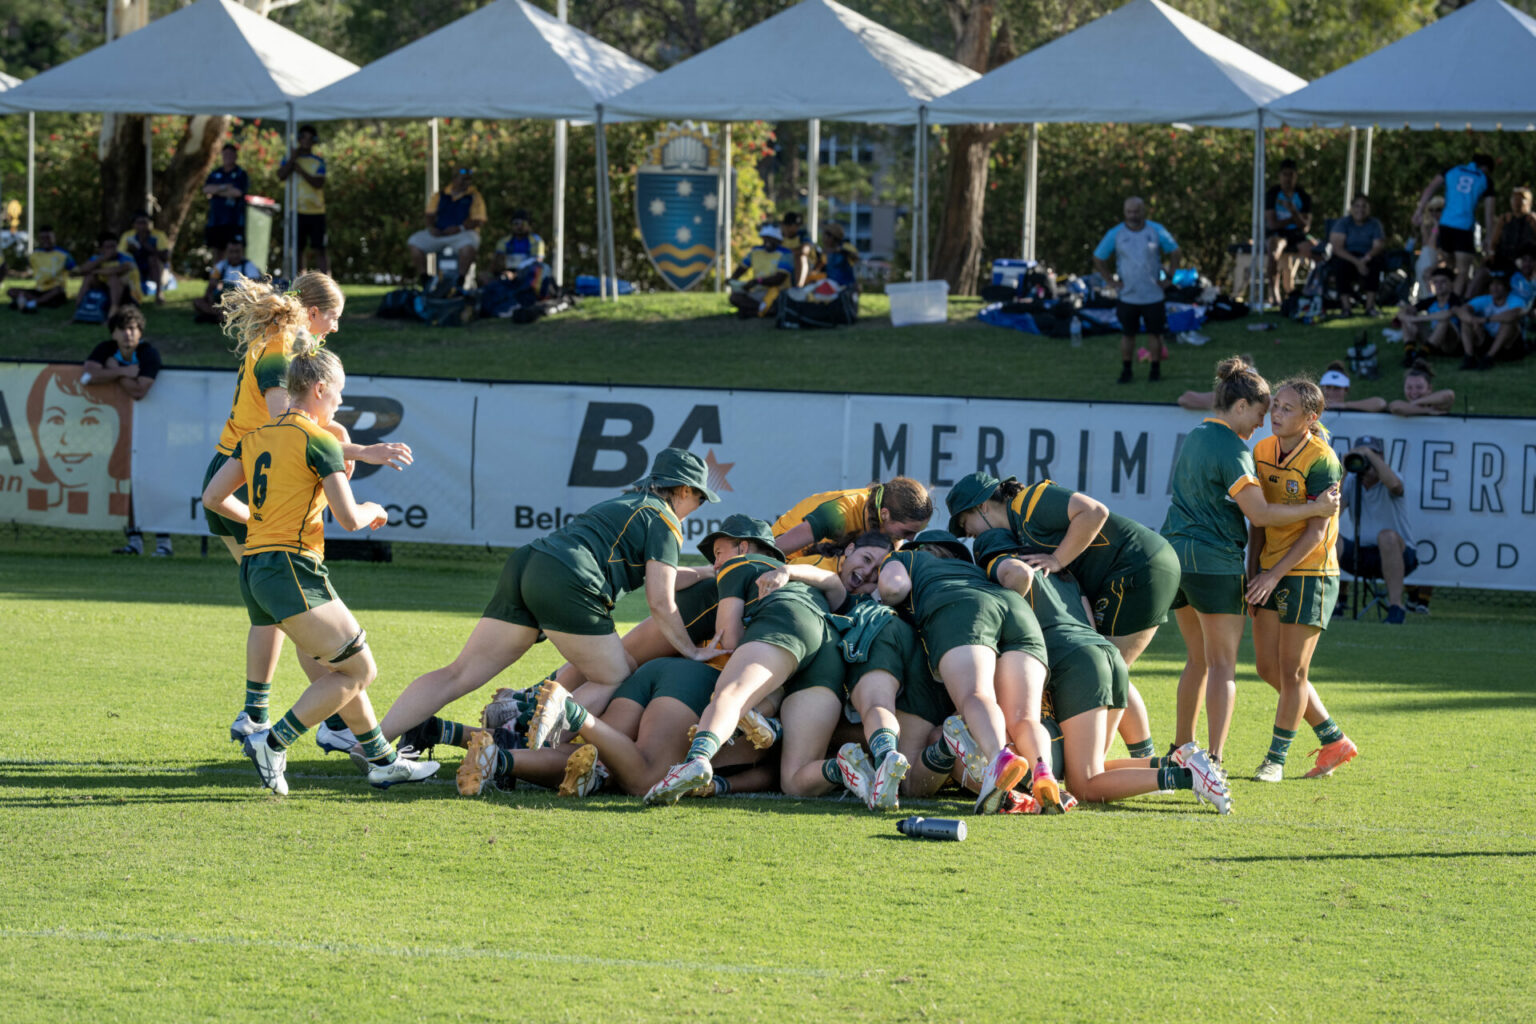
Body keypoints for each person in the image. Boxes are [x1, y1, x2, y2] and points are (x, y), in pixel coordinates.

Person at [389, 447, 720, 795]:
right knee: (616, 674)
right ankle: (524, 743)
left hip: (529, 563)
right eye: (700, 498)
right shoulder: (665, 522)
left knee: (458, 673)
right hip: (569, 579)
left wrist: (704, 572)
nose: (699, 506)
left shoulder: (626, 503)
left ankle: (372, 745)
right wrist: (692, 650)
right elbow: (661, 600)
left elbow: (664, 577)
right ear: (684, 490)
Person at [202, 344, 438, 796]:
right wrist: (375, 509)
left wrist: (258, 524)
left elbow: (213, 497)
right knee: (359, 671)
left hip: (256, 568)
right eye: (339, 394)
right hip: (291, 567)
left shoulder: (255, 436)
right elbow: (349, 518)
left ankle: (382, 761)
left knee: (337, 671)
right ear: (319, 388)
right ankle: (273, 742)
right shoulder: (320, 439)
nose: (340, 403)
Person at [209, 273, 412, 757]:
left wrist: (346, 443)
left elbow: (298, 427)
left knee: (289, 611)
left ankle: (283, 717)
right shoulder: (282, 351)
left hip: (241, 472)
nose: (336, 328)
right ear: (313, 312)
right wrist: (357, 450)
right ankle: (281, 723)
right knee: (298, 609)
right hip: (251, 475)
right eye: (334, 317)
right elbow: (290, 428)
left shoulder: (285, 343)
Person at [594, 518, 853, 808]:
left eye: (718, 553)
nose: (716, 563)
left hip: (785, 625)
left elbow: (728, 637)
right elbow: (837, 588)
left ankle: (697, 760)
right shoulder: (803, 576)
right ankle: (842, 766)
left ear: (743, 547)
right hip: (828, 651)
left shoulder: (740, 564)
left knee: (730, 695)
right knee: (794, 779)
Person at [1161, 356, 1339, 765]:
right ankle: (1214, 761)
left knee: (1197, 661)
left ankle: (1181, 749)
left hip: (1177, 558)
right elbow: (1258, 515)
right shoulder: (1237, 450)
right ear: (1240, 406)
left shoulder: (1195, 435)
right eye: (1262, 412)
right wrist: (1316, 509)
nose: (1264, 421)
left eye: (1279, 410)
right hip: (1214, 562)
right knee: (1223, 666)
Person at [973, 529, 1230, 812]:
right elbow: (1090, 624)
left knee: (1084, 784)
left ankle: (1188, 776)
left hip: (1077, 662)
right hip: (1106, 654)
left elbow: (1015, 583)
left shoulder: (1000, 564)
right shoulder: (1064, 572)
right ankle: (1175, 762)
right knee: (1093, 768)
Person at [945, 472, 1175, 759]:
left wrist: (1057, 559)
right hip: (1130, 570)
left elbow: (1094, 511)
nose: (971, 536)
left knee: (1106, 671)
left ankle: (1119, 765)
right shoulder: (1019, 527)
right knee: (1108, 666)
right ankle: (1138, 760)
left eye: (967, 526)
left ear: (981, 506)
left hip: (1135, 566)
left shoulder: (1028, 500)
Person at [870, 546, 1063, 814]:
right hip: (1016, 608)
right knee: (1025, 718)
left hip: (961, 606)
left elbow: (894, 588)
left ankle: (998, 758)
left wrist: (878, 597)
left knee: (976, 694)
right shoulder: (975, 568)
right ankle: (1042, 770)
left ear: (926, 548)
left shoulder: (908, 557)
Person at [1245, 378, 1358, 782]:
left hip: (1311, 573)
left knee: (1292, 671)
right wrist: (1254, 572)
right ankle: (1334, 739)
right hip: (1269, 571)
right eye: (1275, 405)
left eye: (1286, 408)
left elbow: (1315, 533)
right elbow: (1258, 518)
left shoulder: (1323, 461)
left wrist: (1273, 575)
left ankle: (1275, 760)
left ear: (1311, 418)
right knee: (1266, 667)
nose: (1275, 413)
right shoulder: (1262, 450)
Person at [83, 306, 172, 557]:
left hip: (154, 428)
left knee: (154, 482)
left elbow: (139, 391)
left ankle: (164, 543)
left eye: (132, 329)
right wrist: (123, 371)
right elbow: (87, 375)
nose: (127, 334)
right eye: (122, 329)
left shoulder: (148, 353)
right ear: (113, 333)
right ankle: (135, 542)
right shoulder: (106, 350)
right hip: (121, 427)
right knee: (130, 482)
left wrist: (112, 373)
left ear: (140, 332)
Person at [1093, 197, 1179, 384]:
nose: (1133, 215)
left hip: (1153, 294)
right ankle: (1126, 370)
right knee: (1128, 335)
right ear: (1124, 213)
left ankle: (1155, 370)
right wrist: (1110, 281)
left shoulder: (1156, 230)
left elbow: (1174, 250)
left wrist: (1170, 277)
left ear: (1143, 212)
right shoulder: (1116, 233)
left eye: (1136, 211)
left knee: (1155, 334)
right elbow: (1099, 257)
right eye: (1129, 212)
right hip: (1128, 295)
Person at [1337, 435, 1417, 624]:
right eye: (1362, 454)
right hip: (1361, 554)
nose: (1366, 459)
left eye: (1372, 454)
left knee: (1386, 537)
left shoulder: (1393, 477)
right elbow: (1330, 512)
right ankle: (1332, 603)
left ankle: (1396, 607)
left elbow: (1395, 486)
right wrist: (1343, 470)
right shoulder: (1352, 482)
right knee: (1327, 536)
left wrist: (1370, 456)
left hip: (1400, 554)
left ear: (1380, 457)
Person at [771, 477, 933, 556]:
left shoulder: (892, 525)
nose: (911, 539)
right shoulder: (838, 513)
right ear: (885, 514)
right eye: (907, 532)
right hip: (785, 557)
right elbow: (772, 551)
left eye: (916, 532)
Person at [1413, 154, 1495, 297]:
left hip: (1445, 225)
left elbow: (1430, 188)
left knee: (1448, 266)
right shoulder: (1485, 179)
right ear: (1486, 169)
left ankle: (1436, 289)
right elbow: (1489, 212)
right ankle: (1452, 303)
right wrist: (1489, 236)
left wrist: (1419, 210)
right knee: (1463, 271)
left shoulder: (1451, 171)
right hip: (1464, 227)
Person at [408, 167, 486, 294]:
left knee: (469, 245)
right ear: (454, 179)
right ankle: (425, 279)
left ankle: (460, 281)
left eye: (468, 180)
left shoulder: (474, 196)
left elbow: (479, 220)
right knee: (414, 241)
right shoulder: (440, 195)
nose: (466, 182)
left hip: (462, 234)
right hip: (439, 233)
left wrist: (459, 228)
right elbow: (429, 215)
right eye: (463, 179)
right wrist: (431, 228)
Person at [276, 124, 328, 275]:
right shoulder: (290, 159)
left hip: (316, 211)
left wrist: (301, 171)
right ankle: (301, 281)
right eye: (303, 137)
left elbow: (319, 183)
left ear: (314, 141)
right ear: (299, 139)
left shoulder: (318, 161)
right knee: (298, 249)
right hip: (296, 210)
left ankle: (325, 281)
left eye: (310, 138)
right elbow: (281, 175)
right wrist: (293, 158)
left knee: (320, 248)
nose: (306, 141)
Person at [1265, 159, 1316, 307]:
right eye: (1285, 174)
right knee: (1273, 251)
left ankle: (1312, 292)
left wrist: (1293, 211)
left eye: (1291, 174)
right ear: (1279, 176)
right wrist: (1294, 218)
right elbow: (1272, 224)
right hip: (1278, 233)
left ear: (1296, 176)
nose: (1288, 178)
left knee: (1317, 252)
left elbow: (1305, 227)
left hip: (1297, 234)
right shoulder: (1273, 194)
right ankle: (1274, 293)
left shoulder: (1303, 195)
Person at [1326, 195, 1385, 318]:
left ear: (1369, 209)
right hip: (1348, 257)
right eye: (1357, 206)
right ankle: (1346, 308)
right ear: (1351, 208)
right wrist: (1357, 262)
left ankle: (1370, 307)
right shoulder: (1343, 223)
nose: (1360, 209)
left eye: (1364, 206)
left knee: (1376, 263)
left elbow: (1378, 246)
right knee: (1340, 265)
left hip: (1368, 256)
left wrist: (1365, 259)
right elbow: (1337, 248)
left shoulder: (1374, 224)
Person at [1455, 271, 1525, 370]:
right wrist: (1473, 320)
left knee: (1509, 323)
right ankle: (1469, 357)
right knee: (1466, 322)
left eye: (1499, 284)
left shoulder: (1515, 300)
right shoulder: (1485, 299)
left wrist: (1485, 320)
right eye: (1492, 284)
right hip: (1486, 340)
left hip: (1509, 346)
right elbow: (1461, 310)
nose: (1494, 287)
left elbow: (1513, 314)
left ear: (1506, 287)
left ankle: (1489, 357)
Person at [728, 224, 794, 318]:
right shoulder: (756, 251)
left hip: (777, 292)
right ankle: (763, 310)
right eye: (765, 238)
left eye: (771, 239)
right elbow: (742, 268)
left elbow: (779, 279)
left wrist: (757, 281)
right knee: (735, 297)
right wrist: (732, 280)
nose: (767, 242)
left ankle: (755, 311)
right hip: (757, 292)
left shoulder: (786, 253)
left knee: (780, 301)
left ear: (778, 240)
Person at [72, 233, 142, 320]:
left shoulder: (126, 257)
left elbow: (119, 269)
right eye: (108, 247)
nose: (112, 250)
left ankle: (112, 314)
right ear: (101, 249)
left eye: (114, 246)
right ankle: (78, 309)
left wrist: (96, 271)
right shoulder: (97, 258)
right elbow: (83, 270)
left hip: (128, 295)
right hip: (106, 291)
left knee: (113, 278)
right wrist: (103, 258)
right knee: (89, 277)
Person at [5, 224, 75, 312]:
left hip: (54, 290)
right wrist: (11, 272)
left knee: (58, 290)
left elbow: (75, 271)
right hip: (39, 290)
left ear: (54, 238)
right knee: (11, 291)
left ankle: (31, 303)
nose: (45, 241)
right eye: (42, 238)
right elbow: (28, 272)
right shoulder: (34, 255)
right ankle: (38, 302)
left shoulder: (64, 255)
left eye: (48, 237)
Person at [1399, 266, 1463, 360]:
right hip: (1433, 341)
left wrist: (1417, 318)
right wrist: (1408, 316)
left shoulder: (1456, 300)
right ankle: (1410, 352)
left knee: (1444, 322)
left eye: (1443, 282)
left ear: (1451, 283)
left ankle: (1422, 354)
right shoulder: (1431, 301)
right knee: (1408, 319)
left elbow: (1448, 314)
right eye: (1435, 282)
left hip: (1450, 344)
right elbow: (1403, 312)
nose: (1438, 285)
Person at [192, 236, 261, 323]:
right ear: (227, 252)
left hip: (239, 302)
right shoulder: (221, 266)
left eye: (237, 252)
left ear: (242, 252)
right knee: (198, 302)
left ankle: (215, 317)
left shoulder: (249, 266)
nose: (234, 255)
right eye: (231, 252)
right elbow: (212, 284)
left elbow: (254, 288)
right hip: (221, 302)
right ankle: (223, 316)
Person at [490, 209, 551, 304]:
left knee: (542, 268)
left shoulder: (536, 241)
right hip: (507, 275)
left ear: (529, 225)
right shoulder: (504, 241)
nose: (519, 227)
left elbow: (537, 261)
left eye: (522, 223)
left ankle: (535, 298)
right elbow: (498, 262)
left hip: (527, 275)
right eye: (516, 223)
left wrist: (515, 274)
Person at [203, 142, 249, 253]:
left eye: (230, 154)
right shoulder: (215, 173)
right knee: (216, 251)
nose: (227, 157)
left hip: (234, 221)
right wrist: (224, 187)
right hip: (216, 220)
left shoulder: (240, 173)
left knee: (232, 251)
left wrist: (216, 192)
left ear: (235, 156)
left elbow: (237, 192)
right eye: (225, 154)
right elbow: (206, 189)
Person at [117, 211, 171, 304]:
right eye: (139, 223)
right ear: (133, 224)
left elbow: (165, 257)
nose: (142, 226)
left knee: (152, 259)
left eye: (145, 222)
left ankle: (159, 293)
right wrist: (130, 250)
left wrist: (148, 247)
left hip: (155, 269)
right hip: (135, 266)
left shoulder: (158, 235)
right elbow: (120, 255)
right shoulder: (128, 235)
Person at [1389, 360, 1454, 417]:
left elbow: (1449, 394)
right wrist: (1428, 411)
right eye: (1409, 387)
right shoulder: (1434, 410)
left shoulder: (1439, 407)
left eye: (1419, 387)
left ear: (1429, 388)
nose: (1414, 392)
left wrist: (1416, 402)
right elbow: (1395, 406)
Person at [1317, 363, 1386, 413]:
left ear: (1346, 390)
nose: (1331, 392)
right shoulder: (1314, 409)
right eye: (1328, 387)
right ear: (1321, 388)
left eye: (1337, 388)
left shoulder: (1352, 407)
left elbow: (1380, 403)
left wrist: (1343, 406)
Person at [1413, 196, 1444, 298]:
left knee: (1425, 264)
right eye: (1431, 210)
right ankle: (1426, 297)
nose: (1434, 213)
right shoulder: (1430, 226)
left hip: (1443, 261)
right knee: (1425, 257)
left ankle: (1427, 297)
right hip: (1431, 259)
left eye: (1438, 209)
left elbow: (1431, 246)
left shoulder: (1448, 227)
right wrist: (1424, 227)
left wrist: (1436, 226)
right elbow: (1427, 245)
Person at [816, 222, 860, 290]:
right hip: (829, 285)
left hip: (845, 286)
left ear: (832, 237)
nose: (823, 238)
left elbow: (856, 257)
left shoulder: (846, 246)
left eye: (824, 235)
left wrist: (840, 251)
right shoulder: (823, 251)